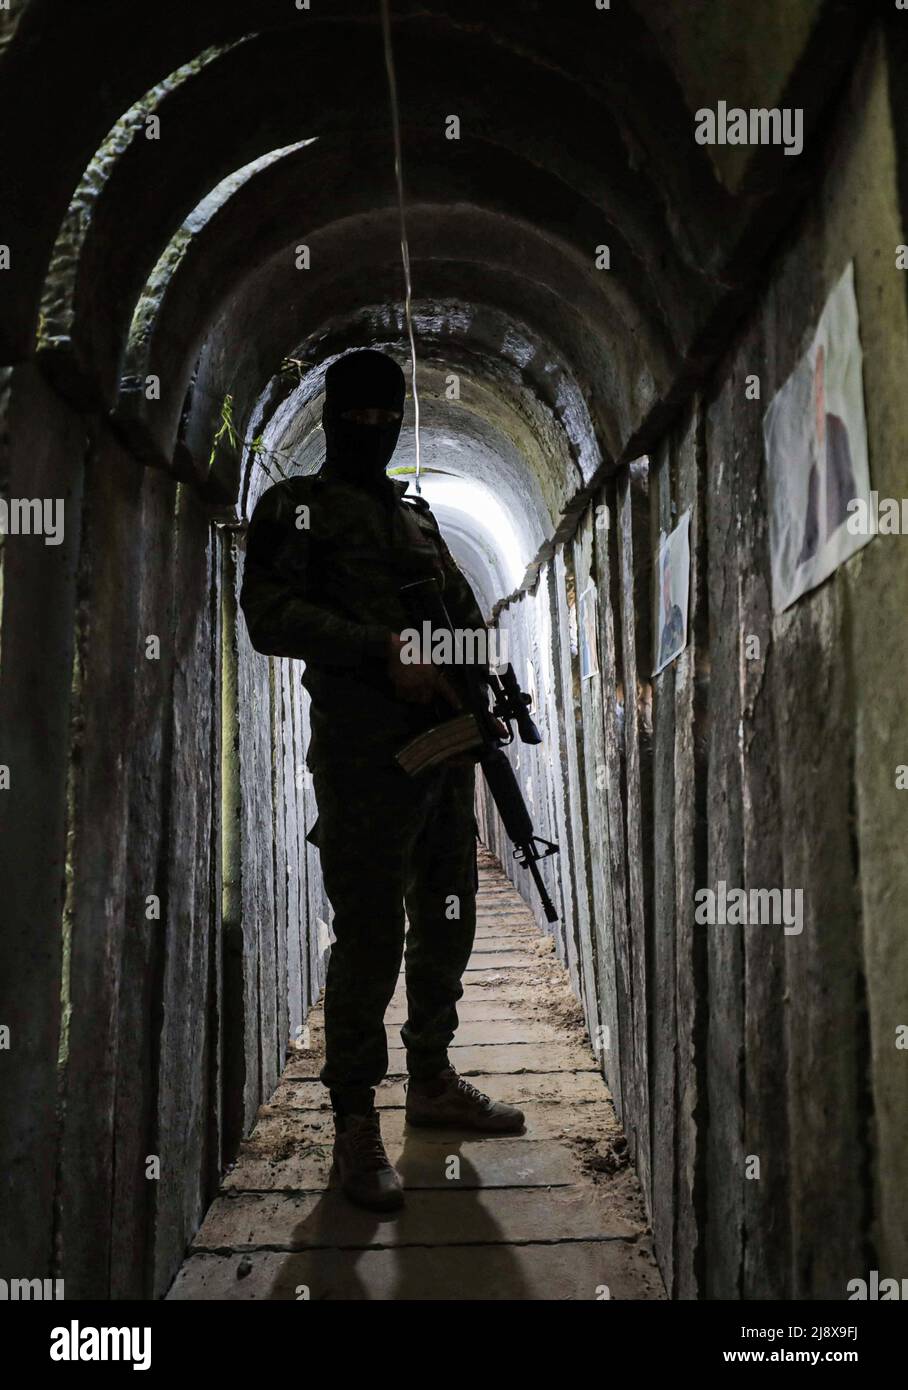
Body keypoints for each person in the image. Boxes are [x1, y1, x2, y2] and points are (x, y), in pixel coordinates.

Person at [239, 349, 524, 1212]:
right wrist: (381, 651)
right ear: (330, 418)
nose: (371, 429)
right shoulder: (293, 509)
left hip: (441, 755)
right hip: (365, 763)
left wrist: (478, 682)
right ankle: (354, 1125)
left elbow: (462, 616)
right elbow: (269, 616)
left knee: (448, 920)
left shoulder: (418, 518)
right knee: (368, 938)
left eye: (384, 415)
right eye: (355, 415)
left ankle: (431, 1077)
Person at [797, 343, 857, 567]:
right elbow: (809, 534)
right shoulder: (814, 466)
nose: (818, 396)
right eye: (816, 389)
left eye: (821, 387)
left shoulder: (838, 430)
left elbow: (851, 492)